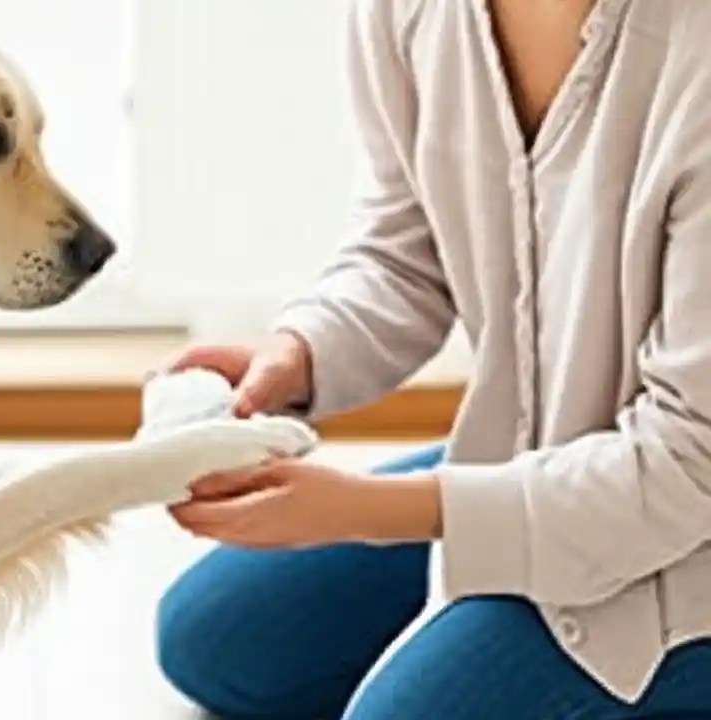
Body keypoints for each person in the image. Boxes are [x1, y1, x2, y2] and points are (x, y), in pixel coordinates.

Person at [153, 1, 711, 718]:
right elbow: (404, 252)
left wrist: (369, 511)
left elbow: (689, 465)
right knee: (217, 640)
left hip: (687, 522)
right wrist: (297, 354)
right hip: (578, 458)